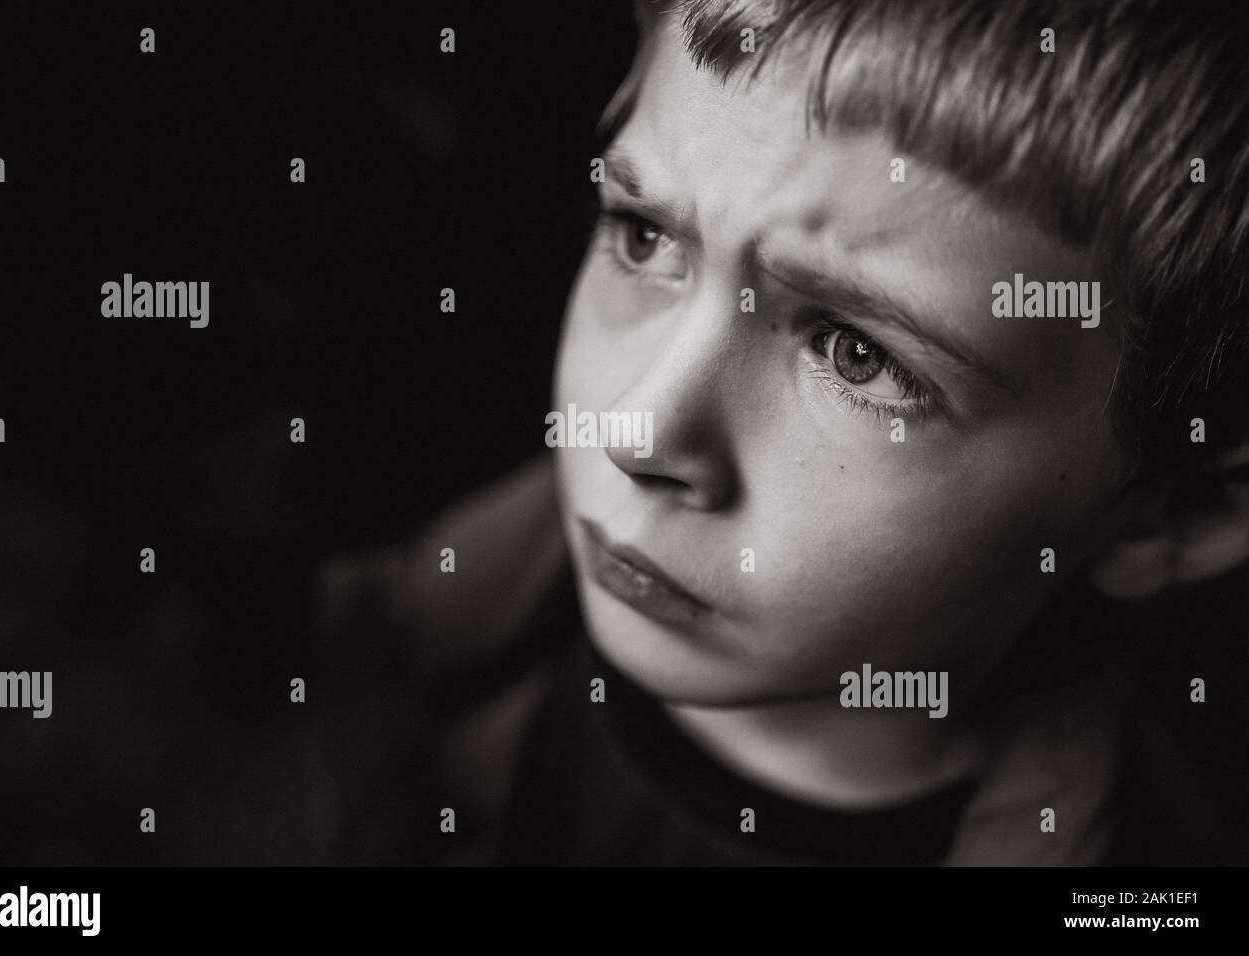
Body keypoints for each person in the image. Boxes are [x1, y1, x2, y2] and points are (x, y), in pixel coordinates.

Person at [317, 0, 1249, 865]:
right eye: (643, 237)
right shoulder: (393, 644)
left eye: (857, 356)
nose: (634, 431)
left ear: (1174, 515)